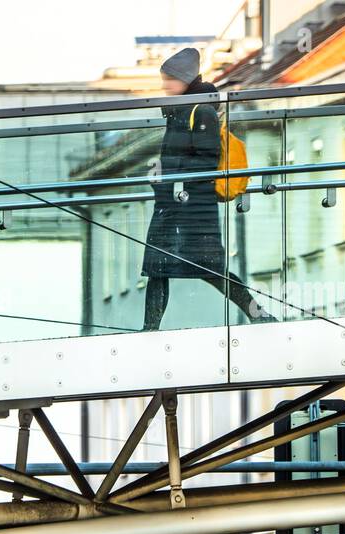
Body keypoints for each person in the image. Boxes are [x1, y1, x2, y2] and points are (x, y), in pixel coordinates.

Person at [140, 47, 270, 331]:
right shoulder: (179, 111)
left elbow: (204, 161)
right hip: (173, 202)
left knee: (211, 270)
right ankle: (150, 327)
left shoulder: (202, 112)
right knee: (157, 268)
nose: (164, 86)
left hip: (193, 206)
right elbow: (180, 157)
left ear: (185, 80)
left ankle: (258, 314)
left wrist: (169, 176)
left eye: (169, 79)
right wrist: (160, 174)